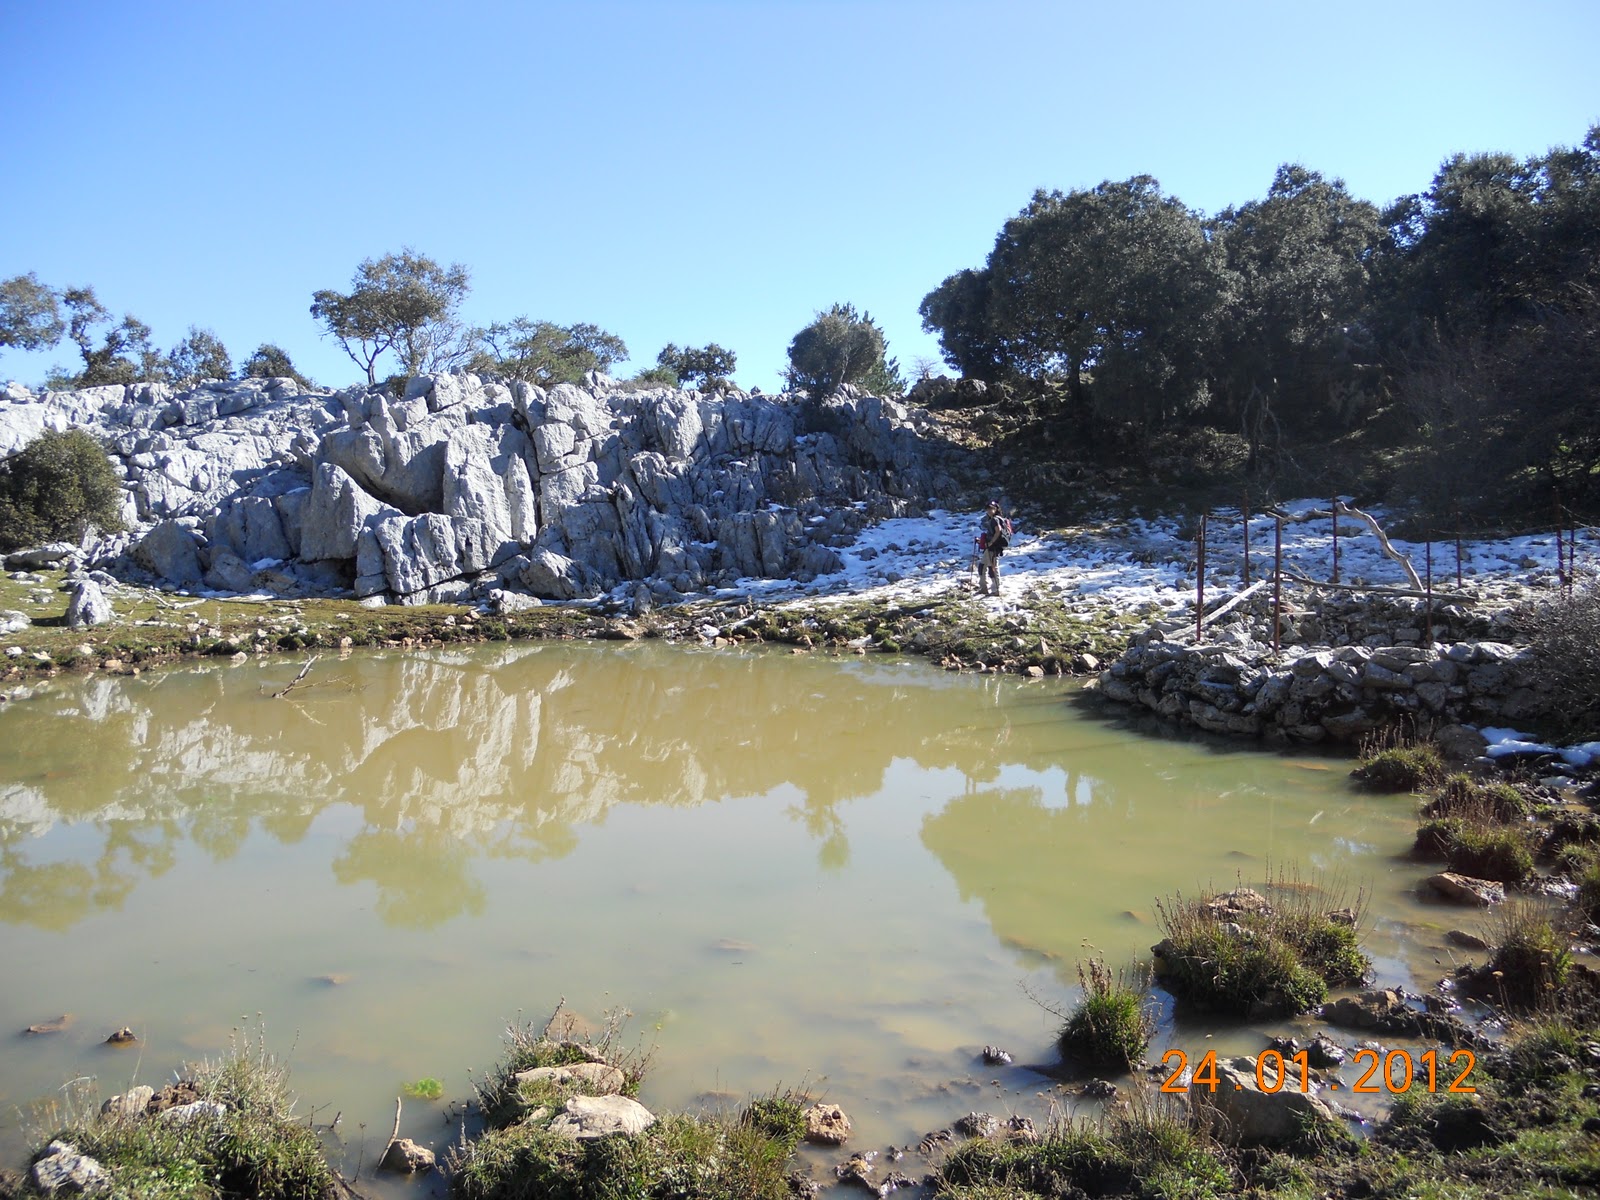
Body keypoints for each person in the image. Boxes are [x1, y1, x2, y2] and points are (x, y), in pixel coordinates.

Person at [976, 499, 1011, 595]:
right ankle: (987, 588)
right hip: (994, 547)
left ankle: (995, 589)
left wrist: (990, 542)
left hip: (993, 547)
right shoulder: (999, 519)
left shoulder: (995, 520)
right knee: (986, 566)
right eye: (988, 509)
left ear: (996, 509)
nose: (989, 511)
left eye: (991, 509)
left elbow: (998, 531)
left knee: (990, 567)